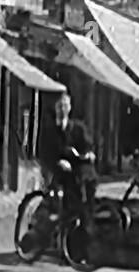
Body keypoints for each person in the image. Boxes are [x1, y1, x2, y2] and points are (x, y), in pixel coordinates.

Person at [37, 91, 98, 225]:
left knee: (88, 177)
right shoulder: (50, 130)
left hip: (78, 166)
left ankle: (86, 214)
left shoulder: (78, 128)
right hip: (58, 168)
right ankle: (68, 217)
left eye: (65, 105)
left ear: (70, 108)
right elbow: (45, 153)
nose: (62, 109)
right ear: (55, 108)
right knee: (70, 181)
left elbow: (88, 146)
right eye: (60, 106)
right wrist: (58, 162)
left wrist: (88, 154)